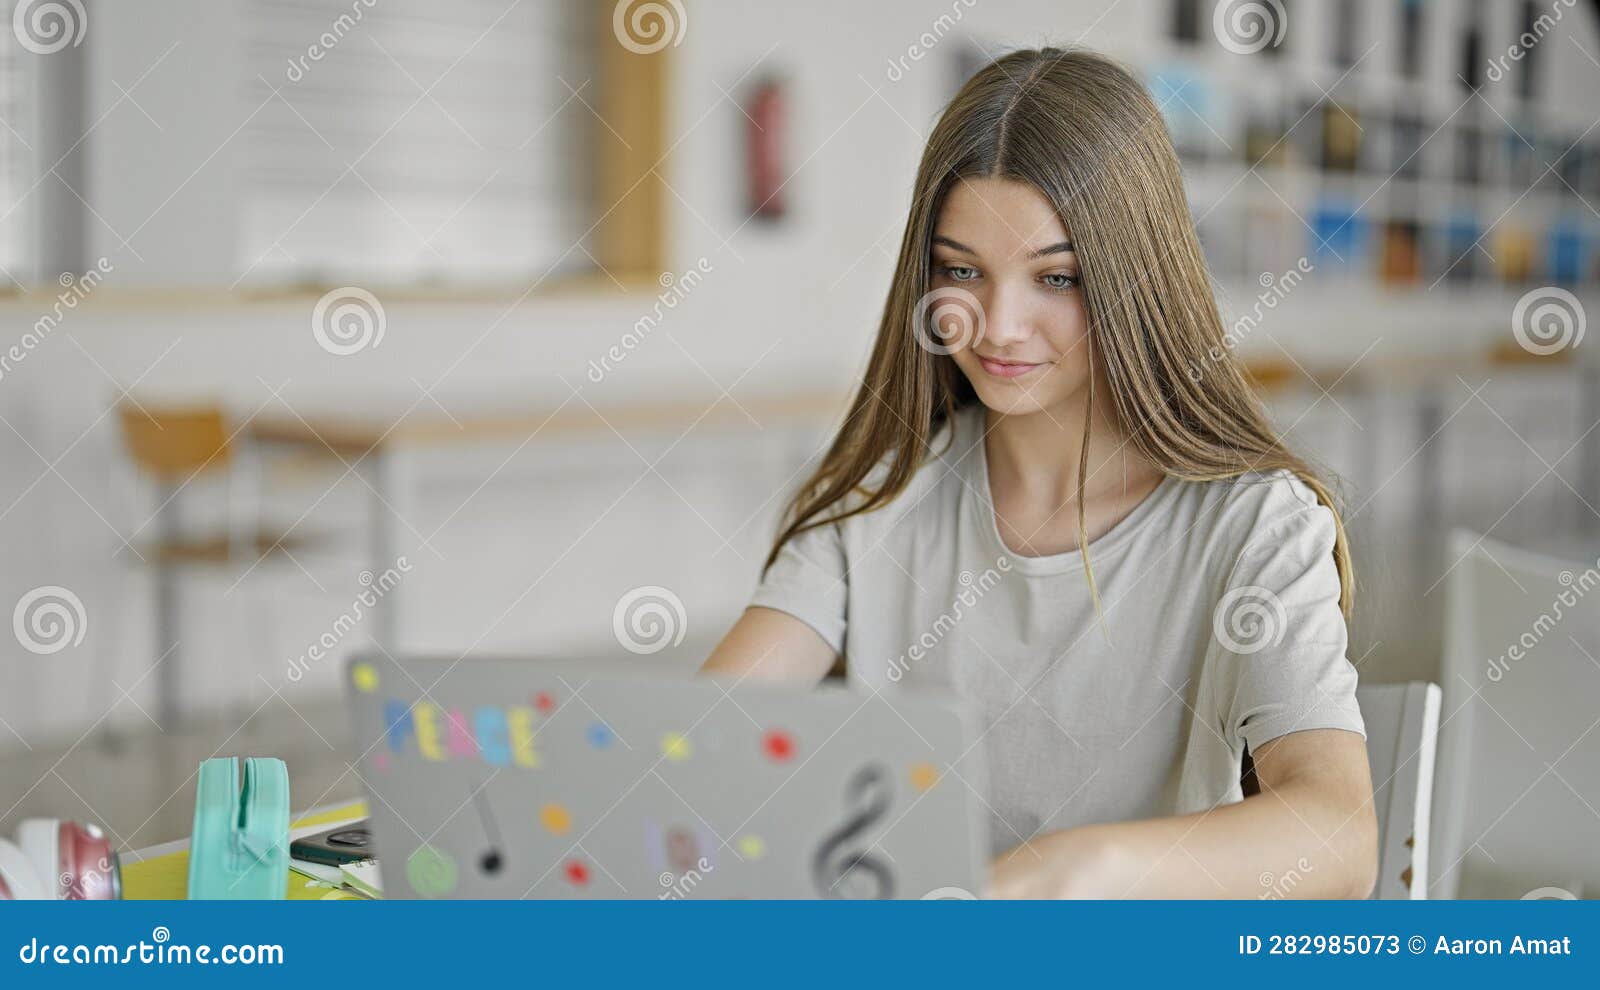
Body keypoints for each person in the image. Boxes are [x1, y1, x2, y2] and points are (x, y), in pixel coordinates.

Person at [701, 47, 1377, 899]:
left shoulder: (1255, 525)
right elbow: (697, 746)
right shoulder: (881, 500)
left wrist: (1077, 865)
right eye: (960, 271)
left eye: (1056, 278)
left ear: (1135, 280)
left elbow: (1341, 836)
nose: (998, 327)